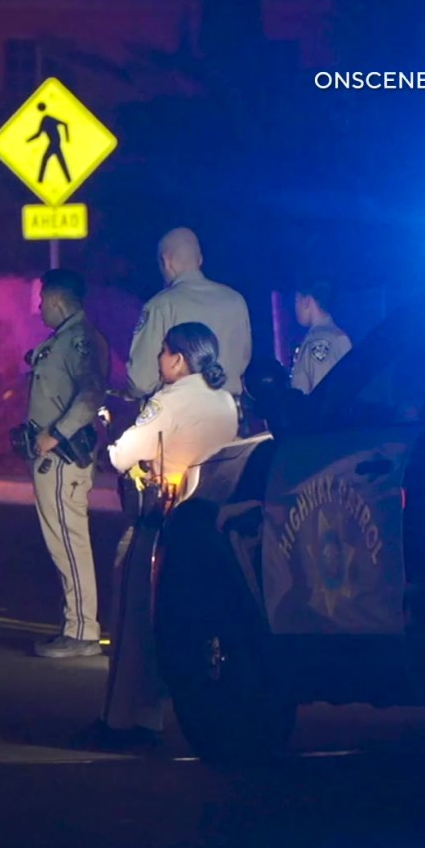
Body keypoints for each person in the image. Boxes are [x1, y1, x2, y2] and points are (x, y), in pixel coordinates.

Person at [87, 321, 239, 747]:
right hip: (209, 528)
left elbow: (122, 456)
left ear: (180, 358)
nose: (158, 358)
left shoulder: (168, 401)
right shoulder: (225, 401)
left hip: (158, 522)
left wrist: (110, 431)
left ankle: (122, 723)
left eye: (163, 351)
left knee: (134, 624)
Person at [22, 268, 109, 658]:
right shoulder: (64, 340)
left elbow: (90, 396)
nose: (40, 309)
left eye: (43, 302)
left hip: (62, 457)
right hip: (52, 455)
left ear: (57, 300)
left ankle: (82, 631)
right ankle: (76, 625)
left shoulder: (79, 342)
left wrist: (55, 435)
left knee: (69, 544)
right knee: (63, 543)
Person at [127, 228, 252, 401]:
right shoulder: (236, 300)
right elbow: (243, 360)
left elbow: (141, 380)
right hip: (229, 414)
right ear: (199, 260)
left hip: (180, 415)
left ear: (166, 261)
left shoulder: (161, 305)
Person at [290, 279, 352, 394]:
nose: (295, 307)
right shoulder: (334, 335)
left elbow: (322, 398)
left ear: (307, 301)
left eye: (296, 300)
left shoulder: (320, 341)